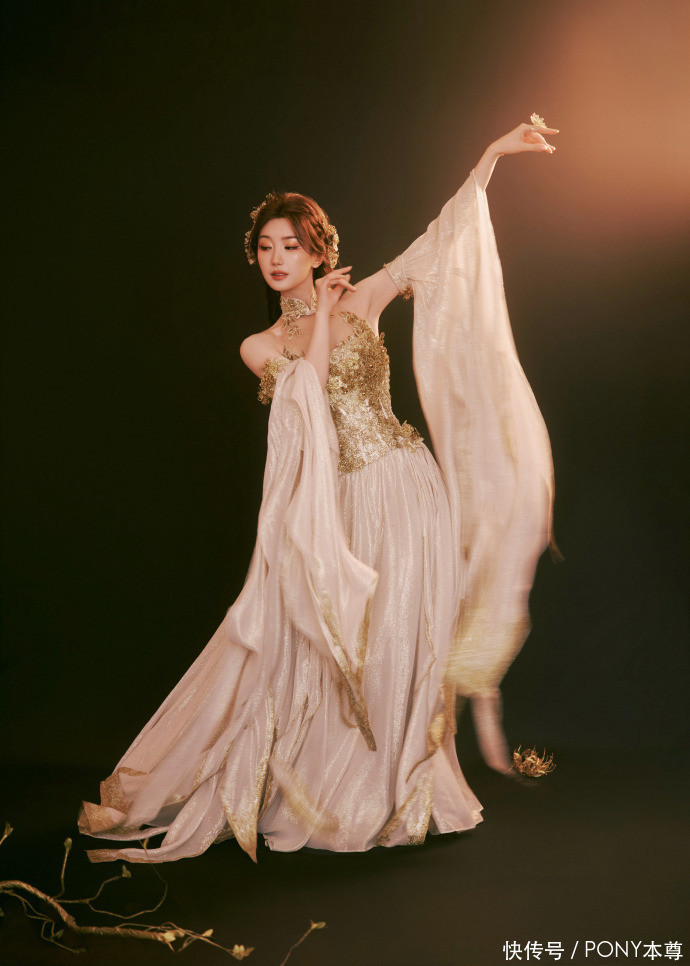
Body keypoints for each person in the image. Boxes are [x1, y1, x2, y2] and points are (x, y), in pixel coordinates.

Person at [78, 118, 560, 864]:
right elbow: (305, 398)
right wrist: (326, 314)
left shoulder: (365, 297)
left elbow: (440, 240)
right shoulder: (261, 345)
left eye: (291, 246)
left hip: (409, 487)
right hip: (338, 509)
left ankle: (404, 794)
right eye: (266, 248)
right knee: (347, 653)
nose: (276, 259)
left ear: (317, 251)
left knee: (407, 644)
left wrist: (492, 155)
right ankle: (342, 793)